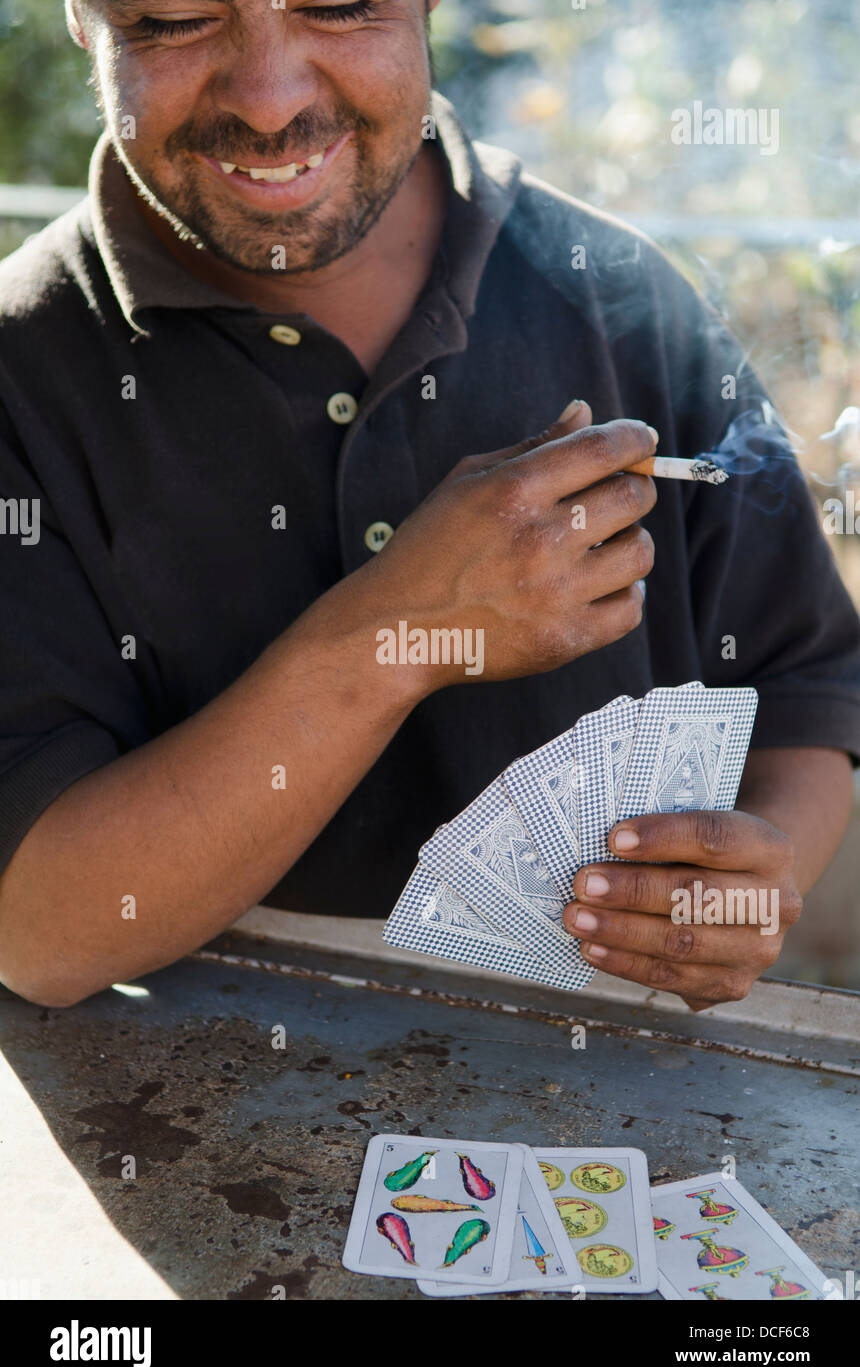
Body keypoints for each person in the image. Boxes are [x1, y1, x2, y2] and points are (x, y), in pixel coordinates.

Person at [0, 0, 857, 1010]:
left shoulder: (620, 296)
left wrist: (750, 875)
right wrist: (395, 633)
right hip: (181, 1129)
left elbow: (800, 685)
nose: (271, 103)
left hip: (613, 1114)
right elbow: (38, 932)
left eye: (338, 6)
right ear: (81, 17)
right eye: (177, 20)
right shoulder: (24, 377)